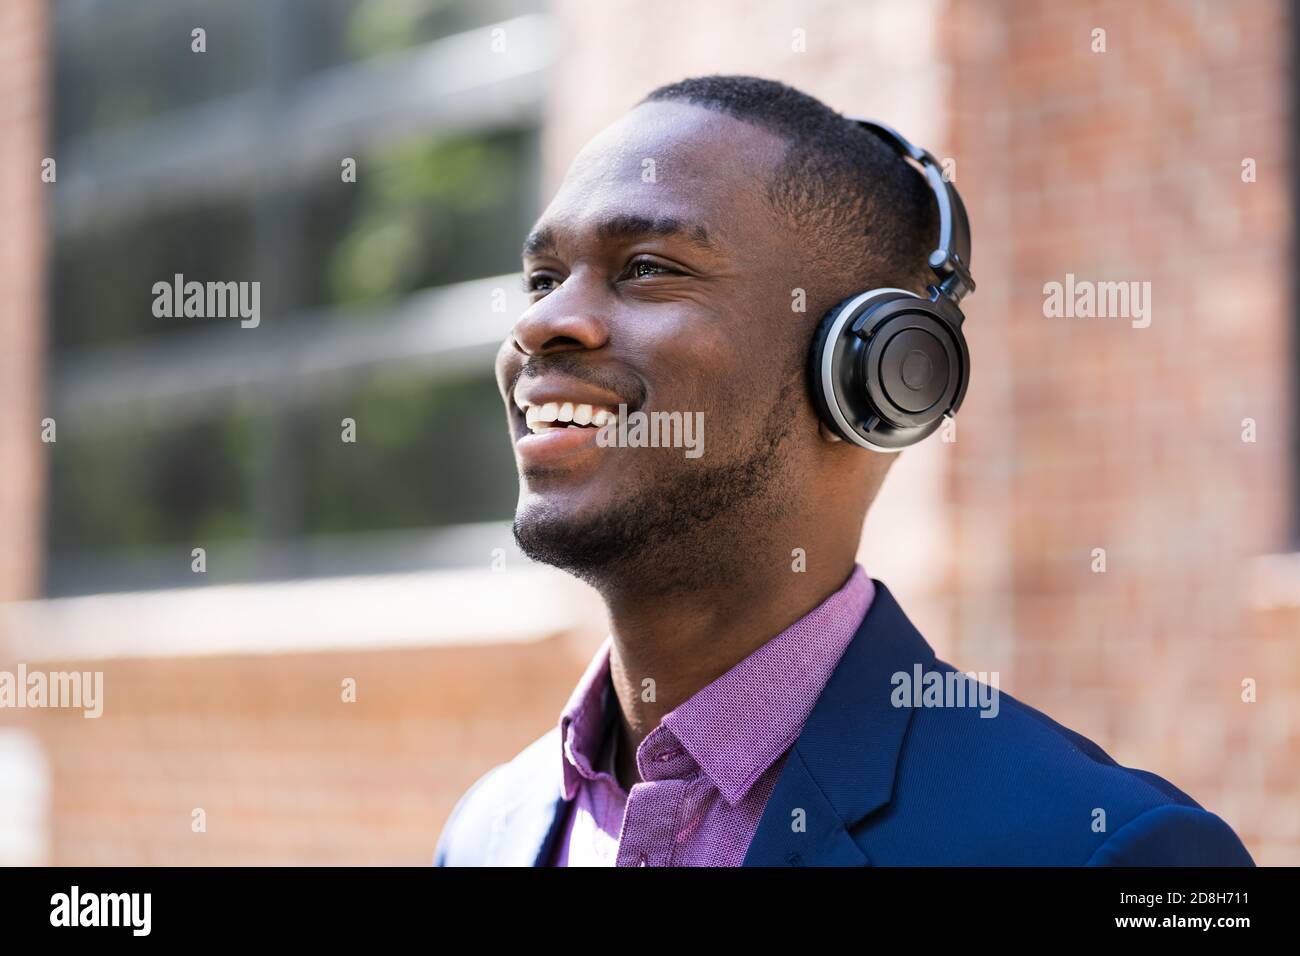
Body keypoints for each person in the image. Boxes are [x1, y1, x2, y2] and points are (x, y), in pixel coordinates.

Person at [433, 75, 1254, 866]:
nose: (540, 325)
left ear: (877, 376)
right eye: (541, 280)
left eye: (647, 268)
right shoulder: (486, 832)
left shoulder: (1104, 850)